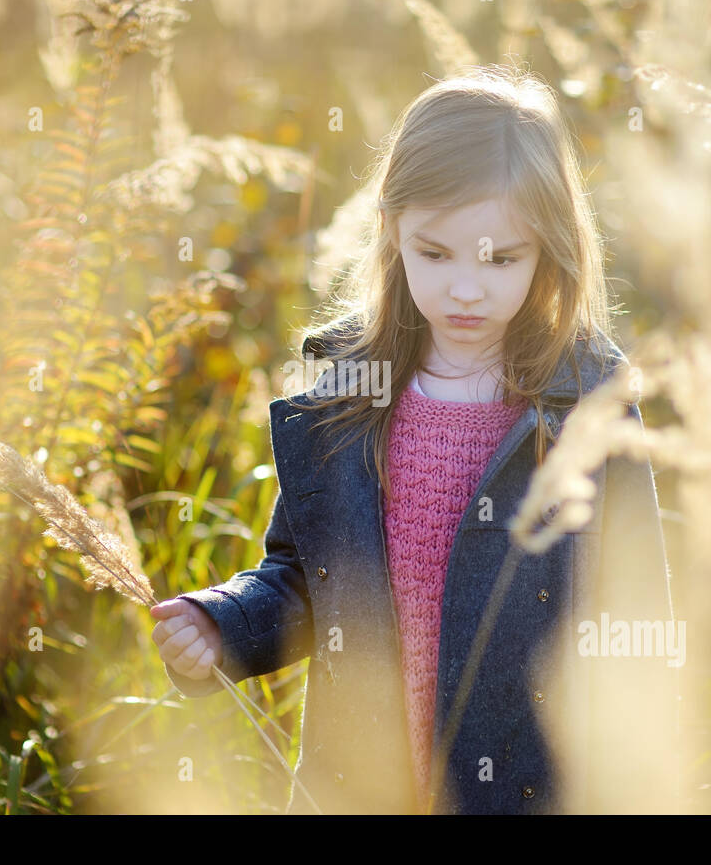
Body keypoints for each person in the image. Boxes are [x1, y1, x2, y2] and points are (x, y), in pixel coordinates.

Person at [150, 63, 674, 814]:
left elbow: (636, 607)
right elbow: (302, 577)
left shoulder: (586, 401)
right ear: (393, 228)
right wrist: (222, 621)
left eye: (501, 258)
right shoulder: (350, 393)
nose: (466, 286)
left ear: (548, 247)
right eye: (436, 253)